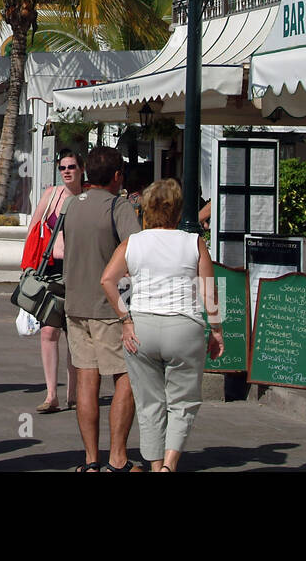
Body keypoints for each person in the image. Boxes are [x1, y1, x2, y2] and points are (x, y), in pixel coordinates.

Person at [100, 178, 224, 472]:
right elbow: (209, 290)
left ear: (146, 209)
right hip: (184, 326)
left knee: (149, 404)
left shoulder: (134, 242)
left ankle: (155, 466)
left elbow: (107, 280)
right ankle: (169, 465)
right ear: (178, 210)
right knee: (182, 402)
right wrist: (216, 330)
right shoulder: (194, 242)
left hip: (142, 326)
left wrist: (125, 320)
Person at [55, 146, 143, 472]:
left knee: (86, 382)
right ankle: (118, 457)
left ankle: (91, 459)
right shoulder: (118, 206)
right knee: (126, 378)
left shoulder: (71, 206)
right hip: (111, 308)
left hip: (75, 304)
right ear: (117, 176)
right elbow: (136, 253)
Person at [24, 149, 84, 414]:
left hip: (79, 270)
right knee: (49, 331)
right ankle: (51, 394)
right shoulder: (52, 195)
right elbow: (33, 228)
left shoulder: (87, 199)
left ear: (82, 170)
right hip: (50, 269)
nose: (67, 171)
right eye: (62, 167)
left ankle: (74, 393)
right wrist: (28, 267)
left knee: (76, 333)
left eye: (71, 166)